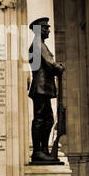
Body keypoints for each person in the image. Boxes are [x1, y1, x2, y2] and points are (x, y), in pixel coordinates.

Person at [28, 17, 64, 163]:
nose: (49, 30)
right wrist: (59, 67)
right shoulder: (38, 44)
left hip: (44, 88)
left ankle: (43, 149)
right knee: (41, 119)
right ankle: (38, 151)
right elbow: (49, 64)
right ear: (39, 30)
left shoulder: (41, 44)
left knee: (47, 119)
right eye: (46, 28)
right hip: (41, 87)